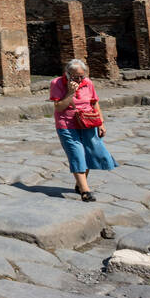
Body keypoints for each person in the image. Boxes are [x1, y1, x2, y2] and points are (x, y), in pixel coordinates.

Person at [49, 57, 116, 201]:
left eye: (81, 76)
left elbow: (94, 103)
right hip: (66, 124)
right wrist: (70, 93)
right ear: (67, 74)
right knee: (76, 154)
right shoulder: (57, 83)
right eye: (75, 76)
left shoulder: (88, 83)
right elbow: (59, 107)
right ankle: (85, 191)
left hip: (88, 122)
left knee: (89, 154)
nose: (79, 79)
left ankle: (80, 184)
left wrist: (101, 123)